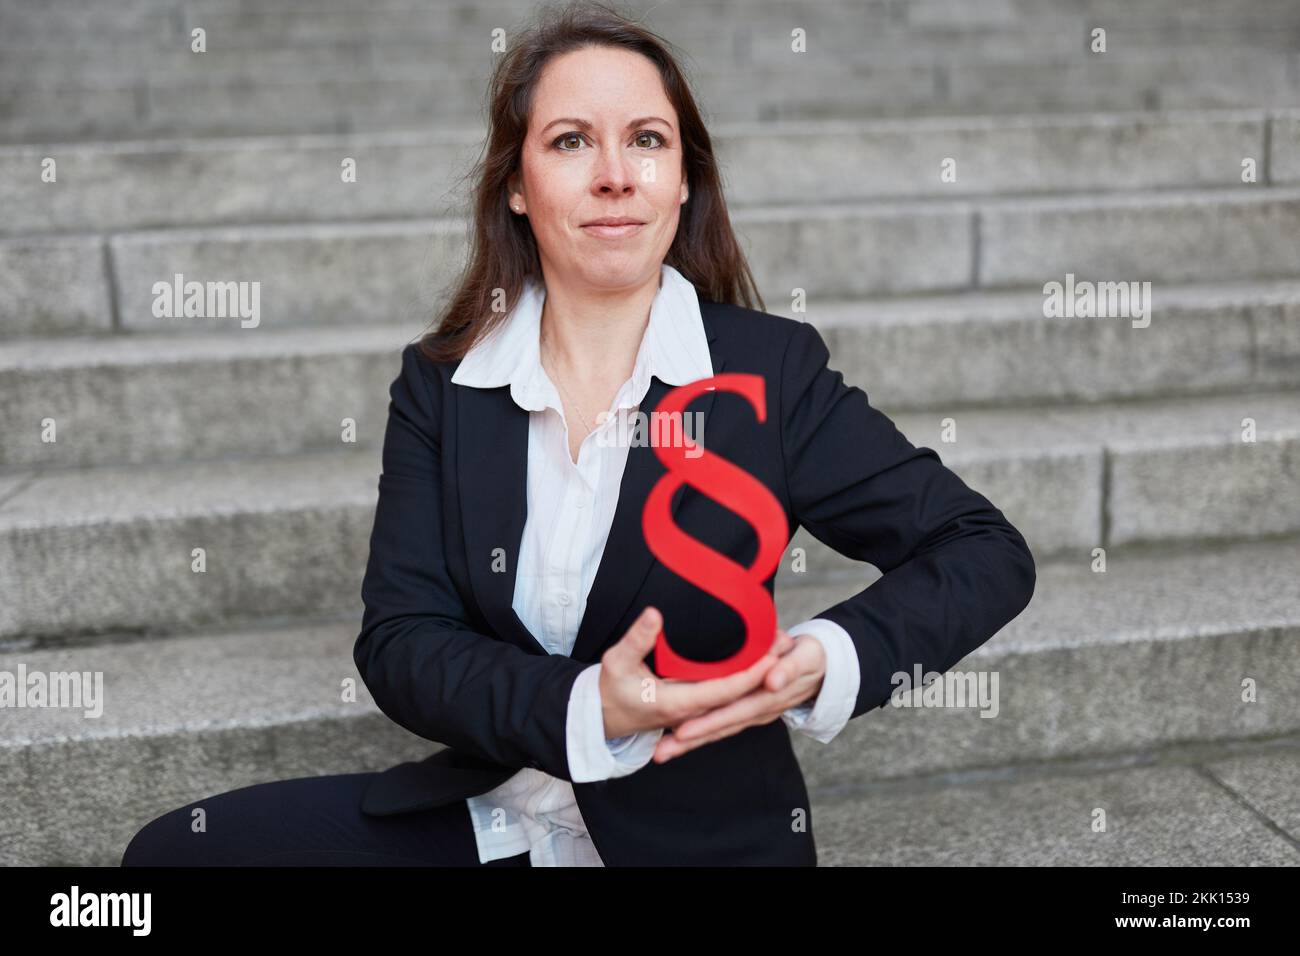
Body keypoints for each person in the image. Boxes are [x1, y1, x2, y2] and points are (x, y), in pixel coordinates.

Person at [121, 0, 1036, 868]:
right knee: (172, 858)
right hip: (499, 815)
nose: (615, 173)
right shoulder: (444, 383)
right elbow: (401, 639)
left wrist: (819, 663)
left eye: (647, 140)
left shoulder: (770, 373)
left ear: (682, 183)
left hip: (698, 842)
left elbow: (983, 549)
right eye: (570, 141)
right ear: (518, 186)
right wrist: (582, 705)